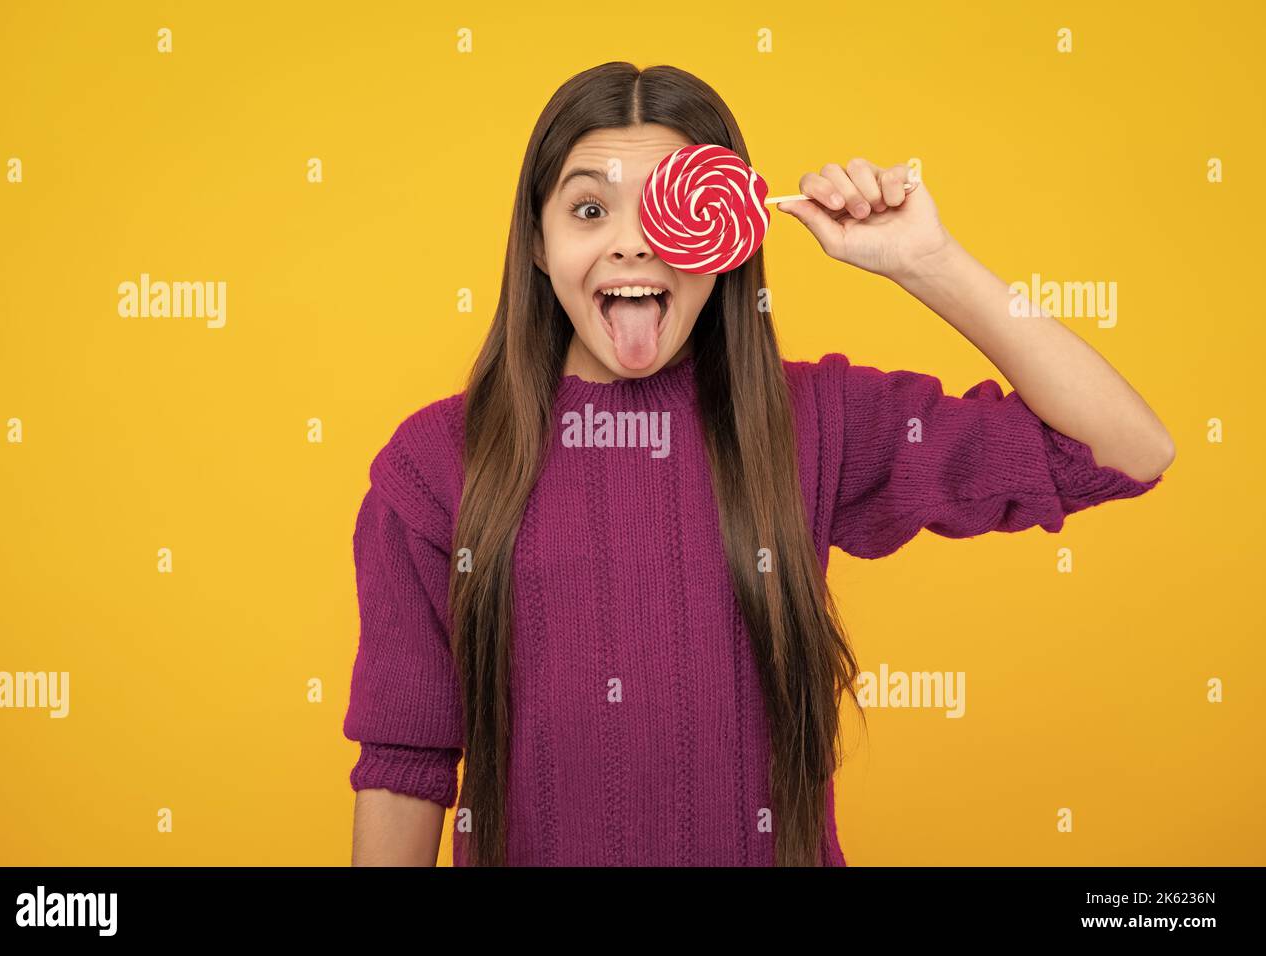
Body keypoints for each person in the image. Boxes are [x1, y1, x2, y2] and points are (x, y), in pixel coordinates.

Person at [344, 61, 1174, 867]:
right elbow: (404, 767)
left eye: (664, 207)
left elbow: (1125, 452)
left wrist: (929, 261)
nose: (632, 244)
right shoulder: (432, 468)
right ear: (536, 242)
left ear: (727, 230)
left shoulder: (813, 421)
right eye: (590, 209)